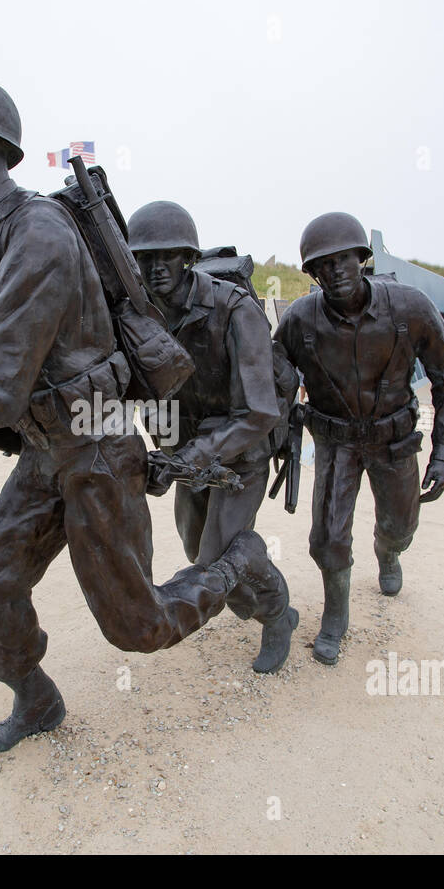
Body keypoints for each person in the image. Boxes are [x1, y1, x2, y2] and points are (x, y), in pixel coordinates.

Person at [0, 76, 280, 760]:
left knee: (139, 629)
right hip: (48, 448)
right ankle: (36, 700)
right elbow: (8, 376)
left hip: (97, 451)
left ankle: (237, 563)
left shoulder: (37, 233)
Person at [273, 213, 444, 665]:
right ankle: (335, 616)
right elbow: (272, 378)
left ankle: (389, 553)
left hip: (393, 441)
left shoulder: (410, 308)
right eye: (322, 266)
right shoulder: (300, 320)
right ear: (312, 274)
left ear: (362, 259)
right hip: (336, 442)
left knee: (401, 527)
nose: (334, 272)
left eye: (343, 260)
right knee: (327, 539)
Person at [127, 200, 297, 674]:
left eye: (167, 256)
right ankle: (251, 589)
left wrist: (191, 457)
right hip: (186, 454)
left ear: (187, 257)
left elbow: (260, 411)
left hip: (239, 454)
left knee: (214, 560)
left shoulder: (233, 309)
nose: (156, 267)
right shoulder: (140, 314)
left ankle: (278, 614)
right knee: (195, 548)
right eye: (144, 258)